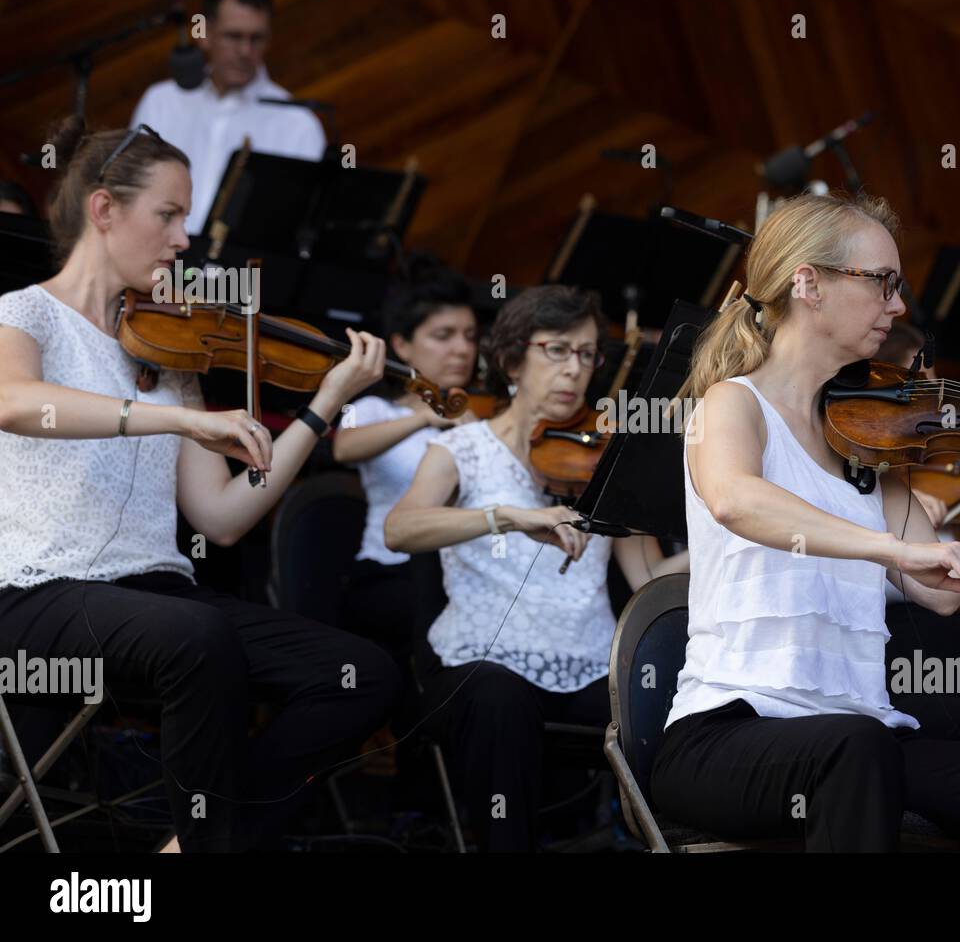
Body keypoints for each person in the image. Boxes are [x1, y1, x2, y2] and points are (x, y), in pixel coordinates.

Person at [650, 192, 960, 852]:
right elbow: (736, 499)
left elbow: (943, 585)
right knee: (858, 748)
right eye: (883, 283)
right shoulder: (732, 404)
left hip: (861, 739)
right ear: (808, 284)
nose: (899, 306)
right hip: (725, 736)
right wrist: (889, 549)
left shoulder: (866, 442)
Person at [0, 117, 397, 851]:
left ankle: (191, 845)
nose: (186, 239)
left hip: (159, 599)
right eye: (170, 214)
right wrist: (175, 421)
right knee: (198, 635)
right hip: (38, 596)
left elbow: (221, 517)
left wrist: (323, 404)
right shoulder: (23, 314)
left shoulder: (168, 351)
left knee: (360, 673)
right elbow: (14, 402)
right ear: (104, 209)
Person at [386, 285, 687, 851]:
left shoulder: (600, 463)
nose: (574, 370)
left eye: (587, 354)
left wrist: (725, 544)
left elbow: (649, 581)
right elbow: (400, 529)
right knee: (500, 700)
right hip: (479, 660)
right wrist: (506, 516)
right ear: (510, 359)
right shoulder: (462, 447)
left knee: (671, 697)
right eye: (557, 350)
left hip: (588, 664)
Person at [333, 282, 480, 663]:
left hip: (466, 575)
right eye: (443, 336)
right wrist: (423, 417)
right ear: (401, 345)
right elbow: (344, 447)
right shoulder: (372, 409)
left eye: (469, 336)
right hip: (393, 572)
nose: (462, 349)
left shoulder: (480, 418)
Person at [130, 0, 326, 234]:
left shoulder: (297, 124)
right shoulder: (161, 102)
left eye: (256, 39)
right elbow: (132, 194)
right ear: (204, 34)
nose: (245, 51)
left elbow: (296, 226)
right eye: (233, 36)